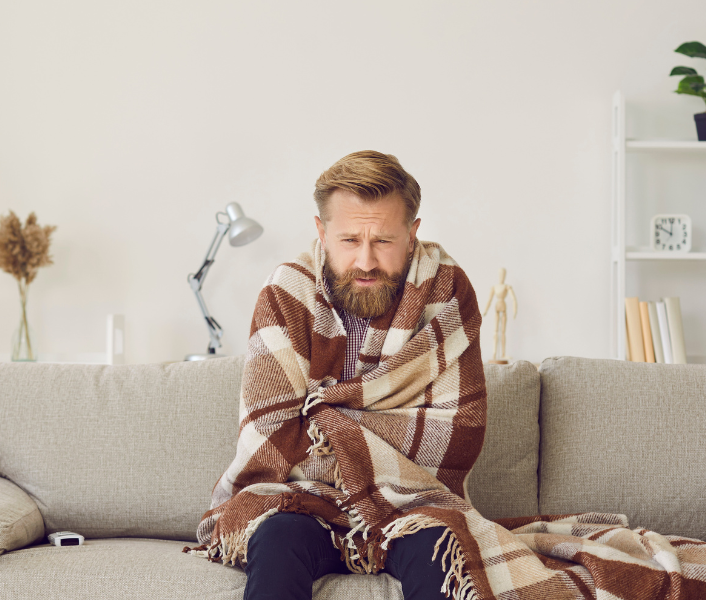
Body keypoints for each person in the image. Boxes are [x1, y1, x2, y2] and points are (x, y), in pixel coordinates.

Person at [185, 151, 487, 600]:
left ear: (413, 233)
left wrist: (328, 417)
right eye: (349, 240)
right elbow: (273, 437)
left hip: (413, 500)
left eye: (383, 241)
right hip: (300, 502)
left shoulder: (447, 293)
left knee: (440, 547)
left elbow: (458, 432)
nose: (366, 261)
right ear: (321, 233)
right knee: (277, 538)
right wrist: (373, 438)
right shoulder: (285, 292)